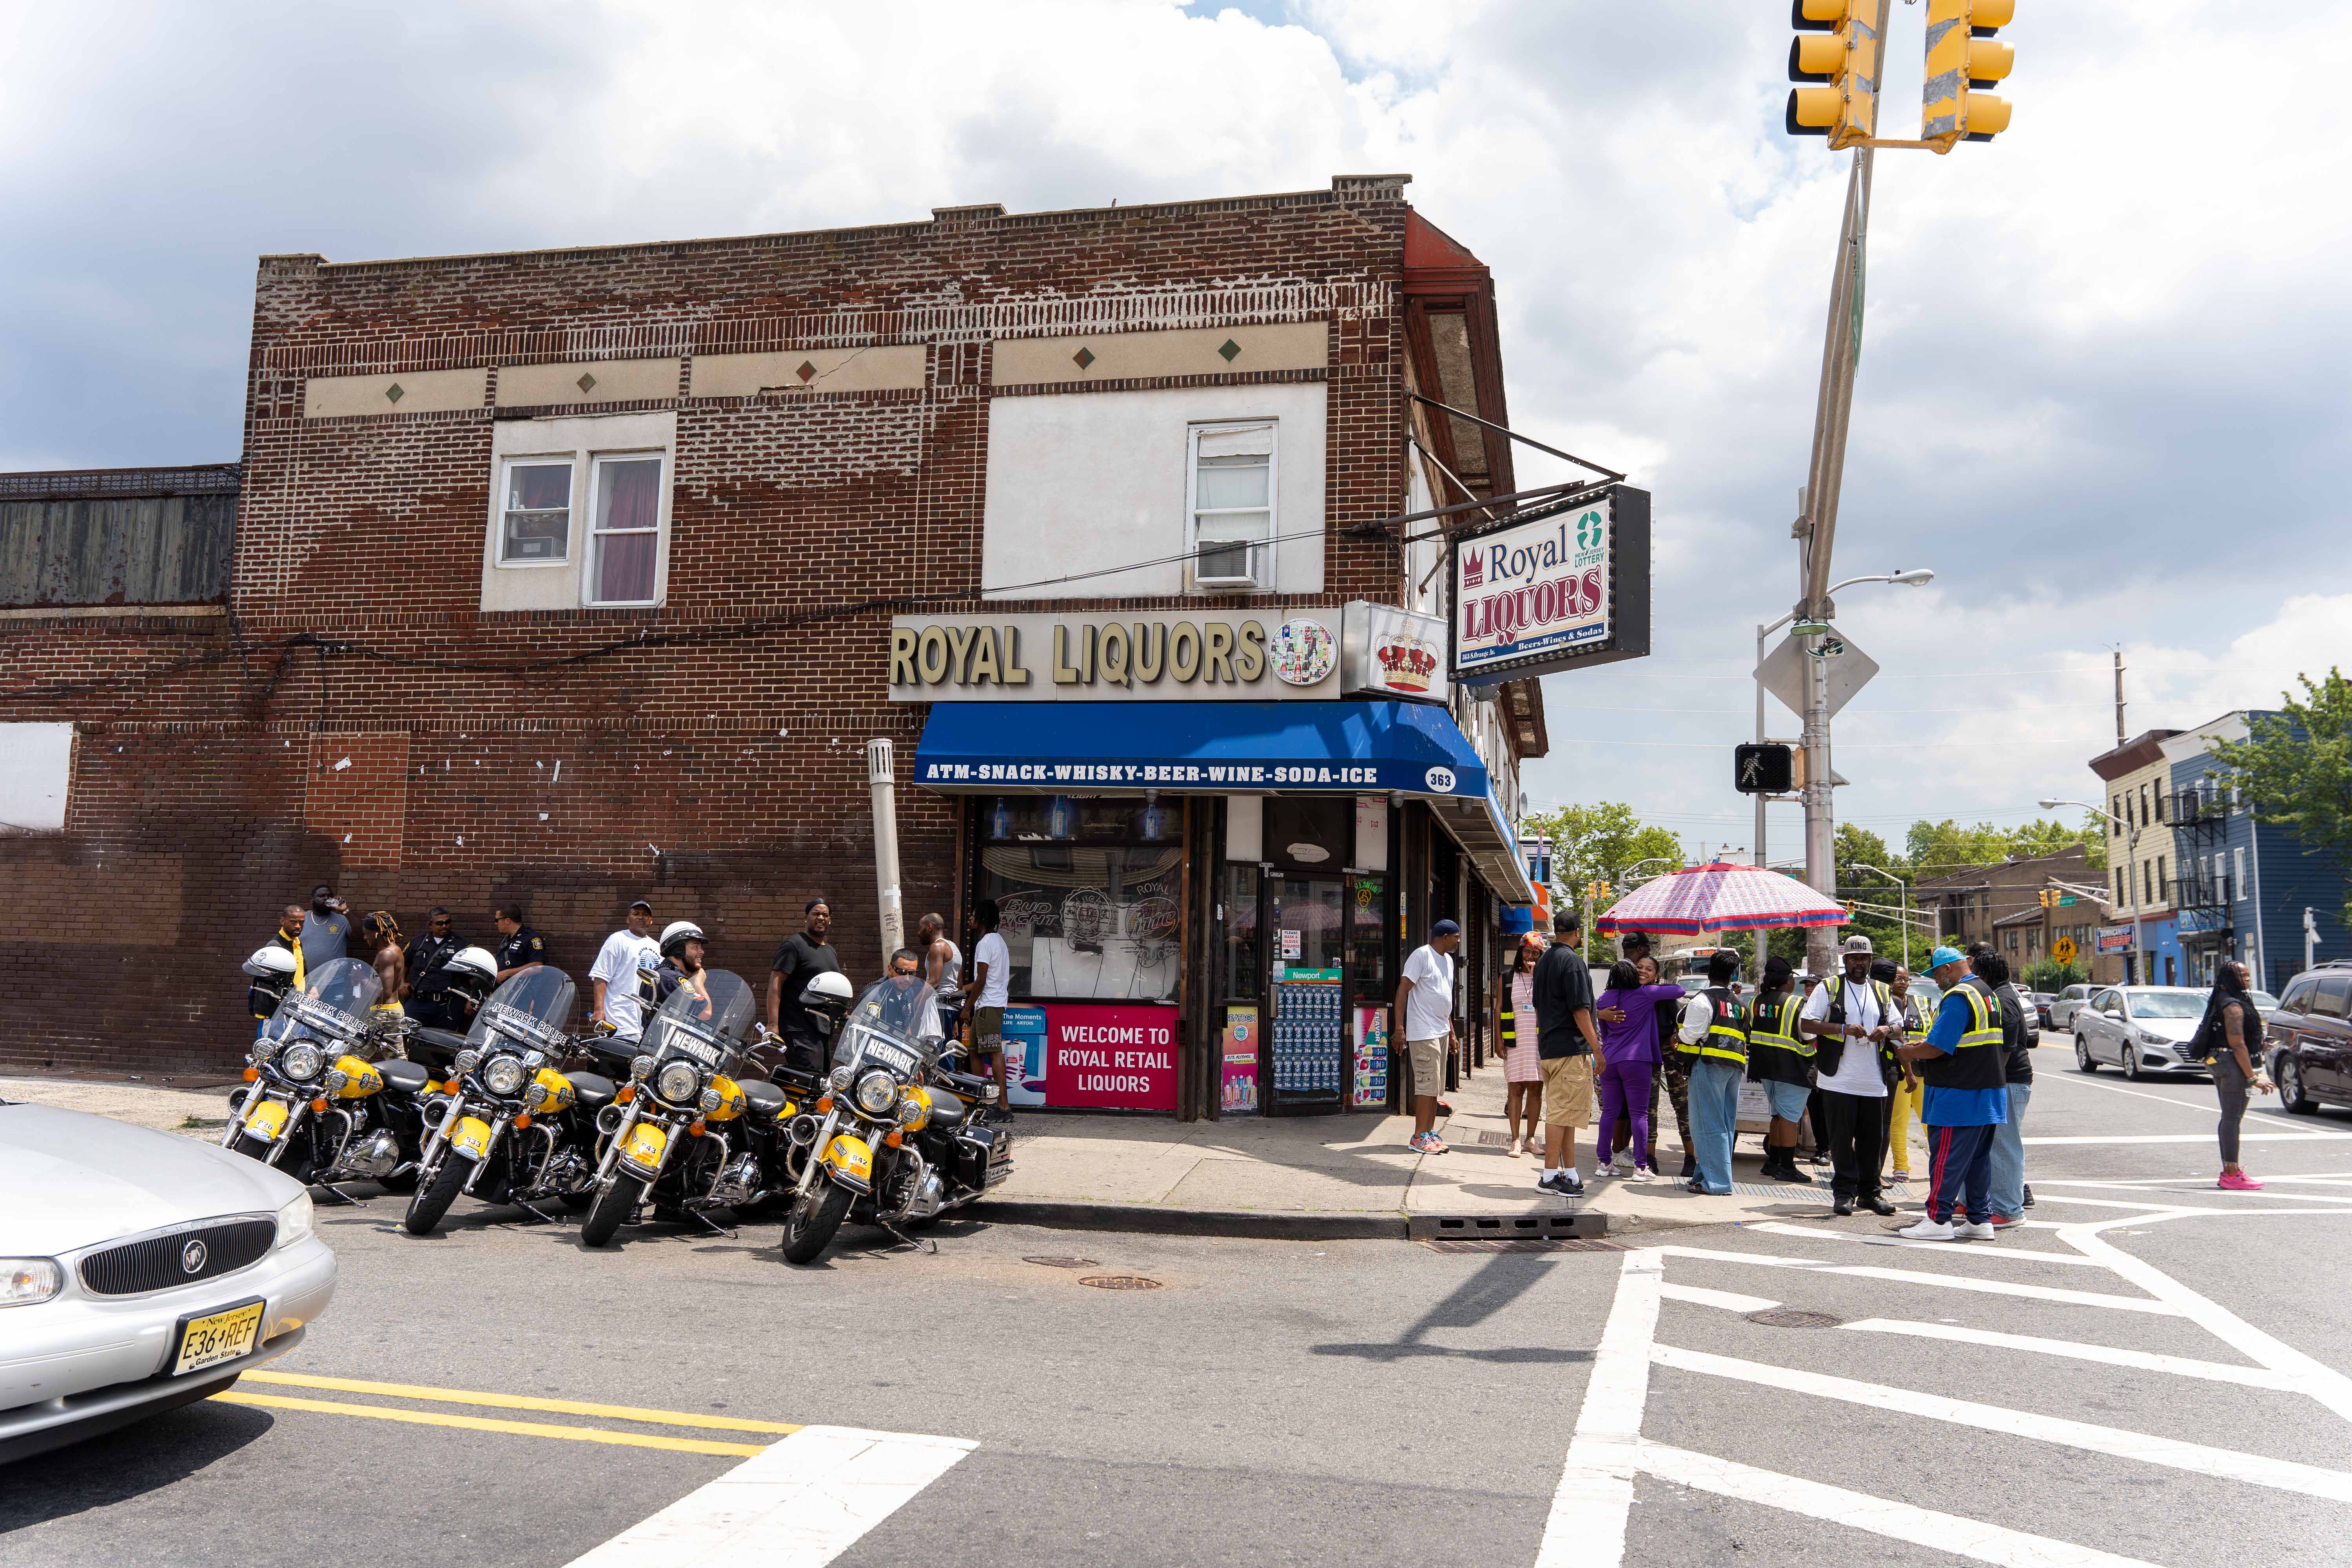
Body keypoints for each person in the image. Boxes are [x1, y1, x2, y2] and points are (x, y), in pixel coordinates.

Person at [1895, 946, 2007, 1240]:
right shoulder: (1986, 992)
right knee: (1977, 1160)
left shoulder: (1958, 997)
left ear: (1947, 969)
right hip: (1988, 1090)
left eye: (1936, 974)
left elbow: (1938, 1047)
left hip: (1959, 1092)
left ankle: (1938, 1220)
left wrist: (1908, 1052)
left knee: (1946, 1157)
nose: (1936, 981)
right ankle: (1980, 1219)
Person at [1798, 934, 1898, 1217]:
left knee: (1871, 1140)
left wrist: (1886, 1031)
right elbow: (1808, 1023)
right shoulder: (1829, 987)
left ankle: (1870, 1193)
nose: (1859, 963)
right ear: (1846, 961)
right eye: (1854, 958)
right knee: (1841, 1140)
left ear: (1870, 960)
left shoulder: (1881, 990)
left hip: (1873, 1078)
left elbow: (1898, 1027)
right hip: (1837, 1078)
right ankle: (1844, 1193)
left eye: (1864, 958)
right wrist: (1841, 1029)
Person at [1592, 958, 1685, 1183]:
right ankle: (1641, 1167)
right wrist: (1651, 983)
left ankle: (1604, 1163)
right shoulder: (1645, 994)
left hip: (1610, 1060)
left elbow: (1604, 1030)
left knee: (1609, 1113)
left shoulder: (1605, 999)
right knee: (1639, 1114)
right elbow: (1679, 990)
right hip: (1637, 1060)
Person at [1532, 910, 1601, 1194]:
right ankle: (1549, 1177)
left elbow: (1538, 1006)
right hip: (1570, 1049)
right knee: (1561, 1115)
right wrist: (1598, 1047)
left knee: (1568, 1113)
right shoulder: (1572, 962)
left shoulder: (1545, 960)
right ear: (1577, 932)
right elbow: (1580, 1010)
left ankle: (1570, 1173)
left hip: (1550, 1047)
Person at [1619, 930, 1697, 1178]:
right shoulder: (1629, 994)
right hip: (1645, 1054)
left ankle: (1691, 1159)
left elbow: (1680, 998)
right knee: (1648, 1107)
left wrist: (1676, 1036)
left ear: (1656, 975)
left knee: (1682, 1103)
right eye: (1639, 967)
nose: (1642, 971)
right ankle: (1649, 1158)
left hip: (1669, 1050)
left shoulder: (1663, 995)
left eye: (1648, 969)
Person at [1672, 949, 1748, 1196]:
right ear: (1733, 975)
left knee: (1706, 1125)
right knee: (1724, 1124)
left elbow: (1692, 1034)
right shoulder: (1740, 1005)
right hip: (1734, 1068)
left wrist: (1677, 1036)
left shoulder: (1702, 1001)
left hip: (1709, 1065)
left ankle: (1716, 1183)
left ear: (1709, 972)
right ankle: (1704, 1176)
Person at [1976, 949, 2036, 1227]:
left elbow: (2009, 1040)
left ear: (1985, 974)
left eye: (1976, 971)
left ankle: (2010, 1210)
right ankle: (1999, 1204)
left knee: (2003, 1146)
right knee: (1996, 1144)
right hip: (2007, 1079)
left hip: (2009, 1080)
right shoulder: (2001, 994)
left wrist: (1995, 1074)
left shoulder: (2003, 999)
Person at [1745, 956, 1816, 1184]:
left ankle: (1773, 1162)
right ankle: (1786, 1166)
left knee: (1778, 1115)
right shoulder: (1797, 1004)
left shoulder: (1756, 1001)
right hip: (1792, 1069)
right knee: (1789, 1118)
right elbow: (1809, 1036)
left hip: (1766, 1068)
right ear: (1788, 980)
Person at [1396, 918, 1463, 1156]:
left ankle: (1430, 1132)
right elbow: (1403, 991)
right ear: (1444, 937)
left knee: (1435, 1086)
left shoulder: (1449, 961)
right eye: (1456, 937)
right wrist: (1399, 1029)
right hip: (1423, 1032)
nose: (1458, 941)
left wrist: (1453, 1033)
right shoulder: (1421, 956)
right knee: (1425, 1086)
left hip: (1441, 1031)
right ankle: (1418, 1137)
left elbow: (1445, 1001)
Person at [2205, 958, 2274, 1190]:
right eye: (2242, 976)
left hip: (2219, 1059)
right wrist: (2253, 1077)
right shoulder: (2232, 1005)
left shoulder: (2223, 998)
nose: (2247, 980)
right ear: (2231, 978)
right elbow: (2237, 1044)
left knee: (2229, 1116)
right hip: (2230, 1062)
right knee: (2233, 1118)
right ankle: (2231, 1174)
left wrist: (2261, 1046)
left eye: (2248, 976)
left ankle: (2230, 1170)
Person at [767, 898, 841, 1076]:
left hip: (822, 1028)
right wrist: (772, 1024)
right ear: (806, 918)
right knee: (807, 1077)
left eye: (825, 915)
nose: (821, 918)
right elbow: (775, 984)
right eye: (816, 914)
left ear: (830, 920)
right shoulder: (795, 944)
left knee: (821, 1081)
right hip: (799, 1026)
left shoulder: (830, 951)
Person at [1494, 935, 1546, 1156]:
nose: (1530, 957)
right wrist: (1498, 1040)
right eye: (1527, 952)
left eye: (1536, 953)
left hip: (1539, 1043)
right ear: (1520, 952)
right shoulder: (1507, 977)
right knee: (1515, 1089)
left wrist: (1538, 977)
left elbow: (1548, 1006)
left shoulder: (1545, 980)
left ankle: (1531, 1139)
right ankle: (1515, 1140)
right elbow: (1498, 1009)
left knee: (1536, 1090)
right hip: (1514, 1041)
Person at [963, 900, 1013, 1122]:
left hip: (988, 1006)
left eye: (974, 915)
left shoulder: (985, 944)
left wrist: (967, 1007)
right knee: (974, 1051)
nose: (971, 919)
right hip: (989, 1004)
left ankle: (1002, 1106)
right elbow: (985, 980)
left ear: (982, 918)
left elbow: (981, 981)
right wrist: (961, 990)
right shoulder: (999, 942)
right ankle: (980, 1103)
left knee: (993, 1052)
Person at [589, 900, 662, 1045]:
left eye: (645, 915)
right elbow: (601, 976)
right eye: (636, 914)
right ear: (628, 919)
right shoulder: (618, 940)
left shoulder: (658, 947)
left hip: (647, 1025)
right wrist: (598, 1010)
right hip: (620, 1021)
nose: (641, 917)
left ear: (651, 921)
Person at [1884, 965, 1928, 1186]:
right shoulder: (1884, 1002)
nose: (1903, 982)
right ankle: (1901, 1166)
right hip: (1899, 1071)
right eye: (1898, 978)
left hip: (1922, 1070)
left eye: (1906, 979)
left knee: (1930, 1119)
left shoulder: (1921, 1002)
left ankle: (1940, 1161)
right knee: (1899, 1121)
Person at [918, 912, 963, 1039]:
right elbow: (957, 985)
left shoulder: (937, 947)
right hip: (949, 1008)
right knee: (943, 1052)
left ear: (929, 927)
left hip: (939, 1007)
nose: (918, 933)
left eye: (920, 927)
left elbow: (934, 983)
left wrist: (915, 1004)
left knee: (939, 1054)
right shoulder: (954, 947)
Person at [652, 920, 711, 1014]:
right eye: (696, 947)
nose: (702, 952)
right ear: (679, 950)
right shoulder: (672, 979)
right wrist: (698, 981)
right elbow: (706, 1013)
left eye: (701, 947)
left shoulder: (662, 974)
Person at [403, 907, 461, 1000]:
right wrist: (402, 982)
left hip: (448, 1002)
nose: (444, 926)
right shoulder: (418, 943)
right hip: (419, 1000)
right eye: (439, 923)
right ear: (430, 925)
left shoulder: (461, 944)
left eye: (448, 922)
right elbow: (404, 964)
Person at [358, 911, 406, 1018]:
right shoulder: (388, 951)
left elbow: (386, 993)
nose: (365, 938)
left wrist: (363, 979)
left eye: (366, 934)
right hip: (386, 1011)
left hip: (385, 1014)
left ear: (377, 934)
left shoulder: (387, 954)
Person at [491, 903, 547, 983]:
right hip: (505, 990)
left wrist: (508, 973)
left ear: (507, 921)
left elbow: (537, 966)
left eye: (497, 920)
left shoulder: (531, 938)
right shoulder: (508, 938)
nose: (496, 923)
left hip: (522, 991)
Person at [303, 884, 352, 964]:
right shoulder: (301, 919)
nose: (326, 898)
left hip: (335, 975)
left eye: (330, 896)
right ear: (312, 900)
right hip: (305, 975)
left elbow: (360, 934)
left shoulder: (342, 920)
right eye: (322, 896)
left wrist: (346, 911)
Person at [269, 904, 307, 990]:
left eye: (302, 922)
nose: (298, 926)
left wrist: (311, 987)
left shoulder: (297, 941)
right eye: (294, 922)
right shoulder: (275, 947)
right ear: (283, 921)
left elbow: (301, 969)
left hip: (298, 997)